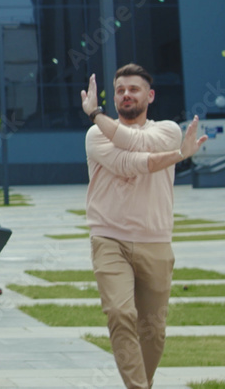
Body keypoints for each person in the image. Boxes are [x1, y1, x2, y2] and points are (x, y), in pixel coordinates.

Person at [81, 64, 207, 389]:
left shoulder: (168, 131)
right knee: (120, 315)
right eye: (120, 89)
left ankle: (142, 384)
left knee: (154, 331)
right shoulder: (96, 133)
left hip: (156, 241)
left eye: (134, 89)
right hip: (109, 238)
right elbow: (130, 162)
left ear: (149, 95)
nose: (126, 95)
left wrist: (96, 112)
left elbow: (137, 146)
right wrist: (178, 156)